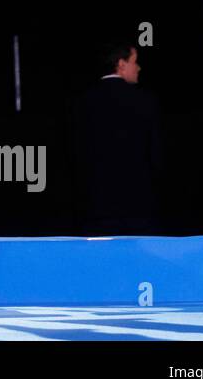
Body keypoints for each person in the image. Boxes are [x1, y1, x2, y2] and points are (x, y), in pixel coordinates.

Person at [68, 42, 165, 235]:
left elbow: (75, 155)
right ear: (121, 64)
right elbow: (156, 154)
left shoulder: (82, 102)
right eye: (134, 62)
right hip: (139, 205)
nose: (138, 67)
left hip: (95, 206)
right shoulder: (145, 101)